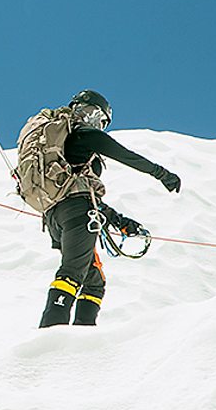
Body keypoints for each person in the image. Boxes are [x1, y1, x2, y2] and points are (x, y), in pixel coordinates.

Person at [38, 90, 181, 328]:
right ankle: (51, 337)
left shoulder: (60, 142)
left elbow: (82, 193)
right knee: (72, 273)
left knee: (93, 281)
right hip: (78, 215)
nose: (97, 123)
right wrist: (162, 174)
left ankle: (83, 335)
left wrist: (120, 221)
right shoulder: (85, 135)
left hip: (55, 215)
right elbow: (125, 155)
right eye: (98, 118)